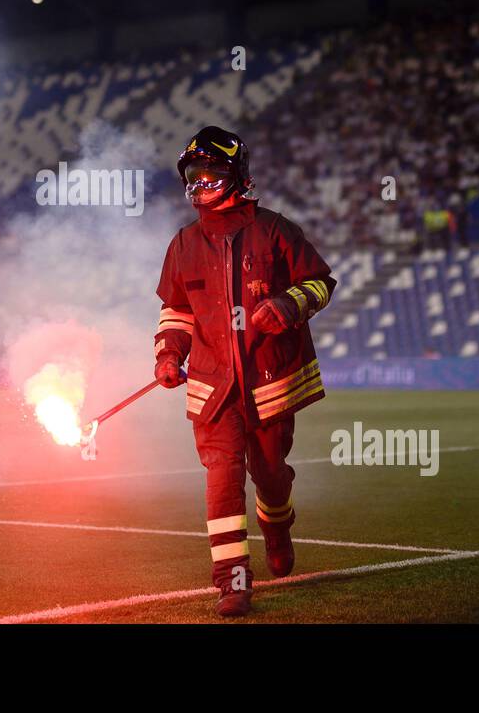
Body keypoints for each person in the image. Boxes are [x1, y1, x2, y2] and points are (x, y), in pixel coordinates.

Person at [153, 126, 336, 618]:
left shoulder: (276, 230)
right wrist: (168, 355)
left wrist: (287, 304)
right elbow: (176, 311)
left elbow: (321, 282)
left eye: (210, 173)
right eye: (193, 175)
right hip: (213, 387)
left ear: (237, 175)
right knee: (222, 475)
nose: (200, 183)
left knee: (270, 474)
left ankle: (277, 523)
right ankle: (233, 581)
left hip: (270, 380)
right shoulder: (183, 244)